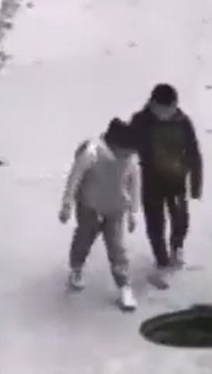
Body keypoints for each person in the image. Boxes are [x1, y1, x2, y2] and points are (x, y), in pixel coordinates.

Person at [59, 118, 140, 311]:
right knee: (84, 239)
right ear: (115, 145)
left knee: (117, 247)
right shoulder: (92, 153)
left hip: (116, 209)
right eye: (126, 151)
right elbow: (75, 178)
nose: (129, 156)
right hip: (90, 208)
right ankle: (76, 267)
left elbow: (134, 185)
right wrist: (67, 203)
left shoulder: (130, 160)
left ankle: (124, 285)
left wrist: (133, 212)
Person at [129, 83, 203, 289]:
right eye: (162, 109)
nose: (166, 113)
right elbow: (126, 149)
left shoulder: (183, 123)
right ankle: (160, 257)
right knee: (155, 223)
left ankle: (177, 246)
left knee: (180, 217)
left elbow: (194, 153)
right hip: (151, 180)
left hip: (176, 179)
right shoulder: (140, 121)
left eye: (170, 108)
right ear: (153, 105)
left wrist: (196, 184)